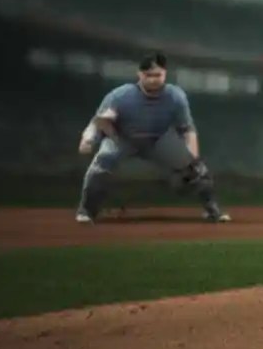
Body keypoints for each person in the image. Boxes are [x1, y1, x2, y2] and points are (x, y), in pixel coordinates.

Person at [75, 51, 231, 224]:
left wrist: (193, 159)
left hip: (158, 139)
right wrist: (88, 139)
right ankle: (86, 211)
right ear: (140, 74)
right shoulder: (120, 95)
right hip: (122, 139)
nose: (153, 79)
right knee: (101, 163)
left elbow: (187, 129)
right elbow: (98, 121)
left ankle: (213, 210)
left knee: (198, 170)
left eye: (158, 75)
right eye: (149, 75)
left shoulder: (175, 96)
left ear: (165, 74)